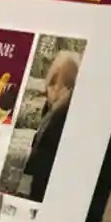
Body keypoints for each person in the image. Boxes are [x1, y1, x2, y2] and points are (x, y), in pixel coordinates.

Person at [23, 49, 80, 202]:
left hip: (47, 181)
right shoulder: (52, 108)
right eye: (51, 83)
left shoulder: (63, 115)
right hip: (40, 176)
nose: (50, 90)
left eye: (55, 83)